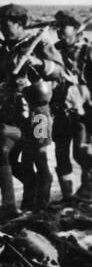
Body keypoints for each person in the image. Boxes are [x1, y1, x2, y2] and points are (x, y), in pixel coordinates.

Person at [0, 4, 65, 219]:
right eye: (1, 24)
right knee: (4, 152)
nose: (1, 28)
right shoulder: (5, 49)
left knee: (38, 155)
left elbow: (60, 71)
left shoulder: (39, 43)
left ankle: (41, 203)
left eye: (5, 23)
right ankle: (10, 204)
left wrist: (37, 62)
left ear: (19, 24)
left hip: (39, 111)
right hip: (12, 113)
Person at [51, 11, 92, 202]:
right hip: (59, 110)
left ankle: (87, 193)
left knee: (81, 153)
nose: (59, 31)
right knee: (60, 154)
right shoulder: (53, 50)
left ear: (75, 29)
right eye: (57, 27)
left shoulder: (87, 50)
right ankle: (68, 196)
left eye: (63, 27)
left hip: (81, 110)